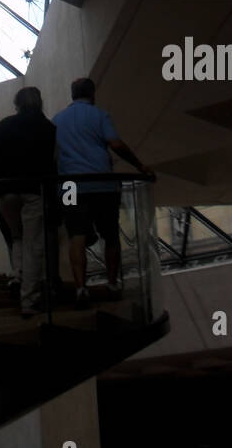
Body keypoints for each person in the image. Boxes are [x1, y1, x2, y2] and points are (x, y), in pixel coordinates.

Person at [52, 77, 155, 307]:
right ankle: (112, 282)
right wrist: (140, 166)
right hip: (103, 183)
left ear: (72, 95)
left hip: (69, 186)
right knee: (110, 234)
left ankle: (80, 287)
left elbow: (53, 156)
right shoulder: (99, 115)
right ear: (92, 94)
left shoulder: (57, 121)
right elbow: (116, 144)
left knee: (75, 236)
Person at [0, 86, 56, 317]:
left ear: (17, 104)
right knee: (34, 244)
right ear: (39, 103)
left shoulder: (1, 127)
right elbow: (53, 167)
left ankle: (17, 273)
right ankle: (29, 299)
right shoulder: (48, 129)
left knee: (16, 236)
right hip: (34, 192)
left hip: (7, 193)